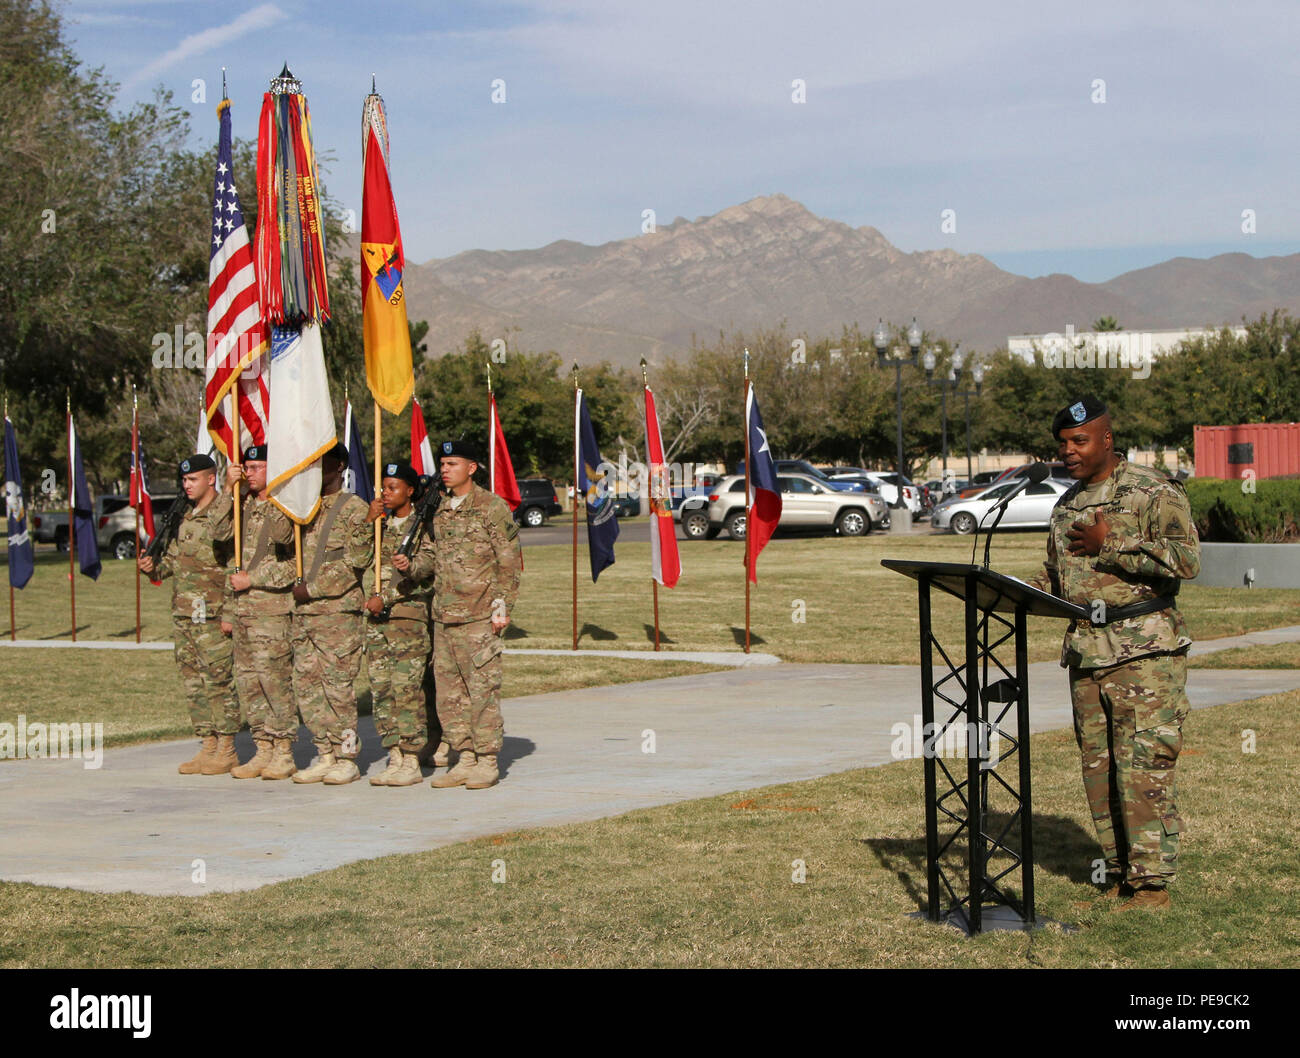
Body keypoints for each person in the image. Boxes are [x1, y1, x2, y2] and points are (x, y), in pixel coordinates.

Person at [1029, 397, 1200, 911]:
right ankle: (1119, 875)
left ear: (1106, 439)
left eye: (1079, 441)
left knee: (1143, 765)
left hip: (1144, 652)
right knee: (1099, 769)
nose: (1068, 451)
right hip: (1087, 653)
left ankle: (1151, 886)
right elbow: (1058, 575)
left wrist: (1113, 543)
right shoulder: (1066, 504)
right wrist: (1015, 590)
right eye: (1063, 443)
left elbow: (1186, 560)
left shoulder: (1152, 490)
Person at [138, 454, 240, 775]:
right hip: (184, 613)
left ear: (210, 479)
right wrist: (152, 567)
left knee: (218, 681)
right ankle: (208, 744)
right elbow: (173, 561)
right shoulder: (184, 514)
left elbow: (232, 563)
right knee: (193, 682)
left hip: (212, 613)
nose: (187, 485)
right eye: (184, 480)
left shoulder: (225, 512)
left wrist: (230, 613)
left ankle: (227, 748)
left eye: (192, 479)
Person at [429, 441, 522, 789]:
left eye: (452, 463)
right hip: (444, 616)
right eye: (442, 463)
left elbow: (508, 561)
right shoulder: (440, 508)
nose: (445, 469)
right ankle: (464, 757)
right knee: (449, 694)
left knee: (482, 691)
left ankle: (487, 760)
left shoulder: (490, 507)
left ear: (471, 468)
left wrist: (501, 608)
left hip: (479, 615)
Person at [211, 446, 299, 780]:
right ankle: (263, 747)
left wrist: (255, 578)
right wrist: (227, 489)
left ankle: (283, 750)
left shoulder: (286, 507)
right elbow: (218, 533)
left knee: (273, 682)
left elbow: (296, 564)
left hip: (271, 610)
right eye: (246, 467)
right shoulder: (243, 504)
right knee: (249, 683)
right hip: (242, 608)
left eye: (256, 467)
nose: (249, 473)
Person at [290, 443, 373, 786]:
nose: (315, 468)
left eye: (322, 462)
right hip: (304, 615)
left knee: (338, 688)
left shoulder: (354, 509)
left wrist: (312, 589)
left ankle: (347, 756)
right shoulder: (302, 509)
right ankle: (325, 753)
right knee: (307, 687)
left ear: (339, 466)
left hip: (337, 613)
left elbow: (356, 562)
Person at [363, 461, 437, 787]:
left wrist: (389, 595)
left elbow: (426, 568)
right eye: (383, 487)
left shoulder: (423, 525)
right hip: (375, 621)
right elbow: (356, 558)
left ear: (409, 490)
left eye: (393, 487)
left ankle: (411, 758)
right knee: (382, 690)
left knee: (407, 691)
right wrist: (368, 521)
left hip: (407, 619)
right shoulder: (380, 525)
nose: (386, 493)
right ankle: (393, 753)